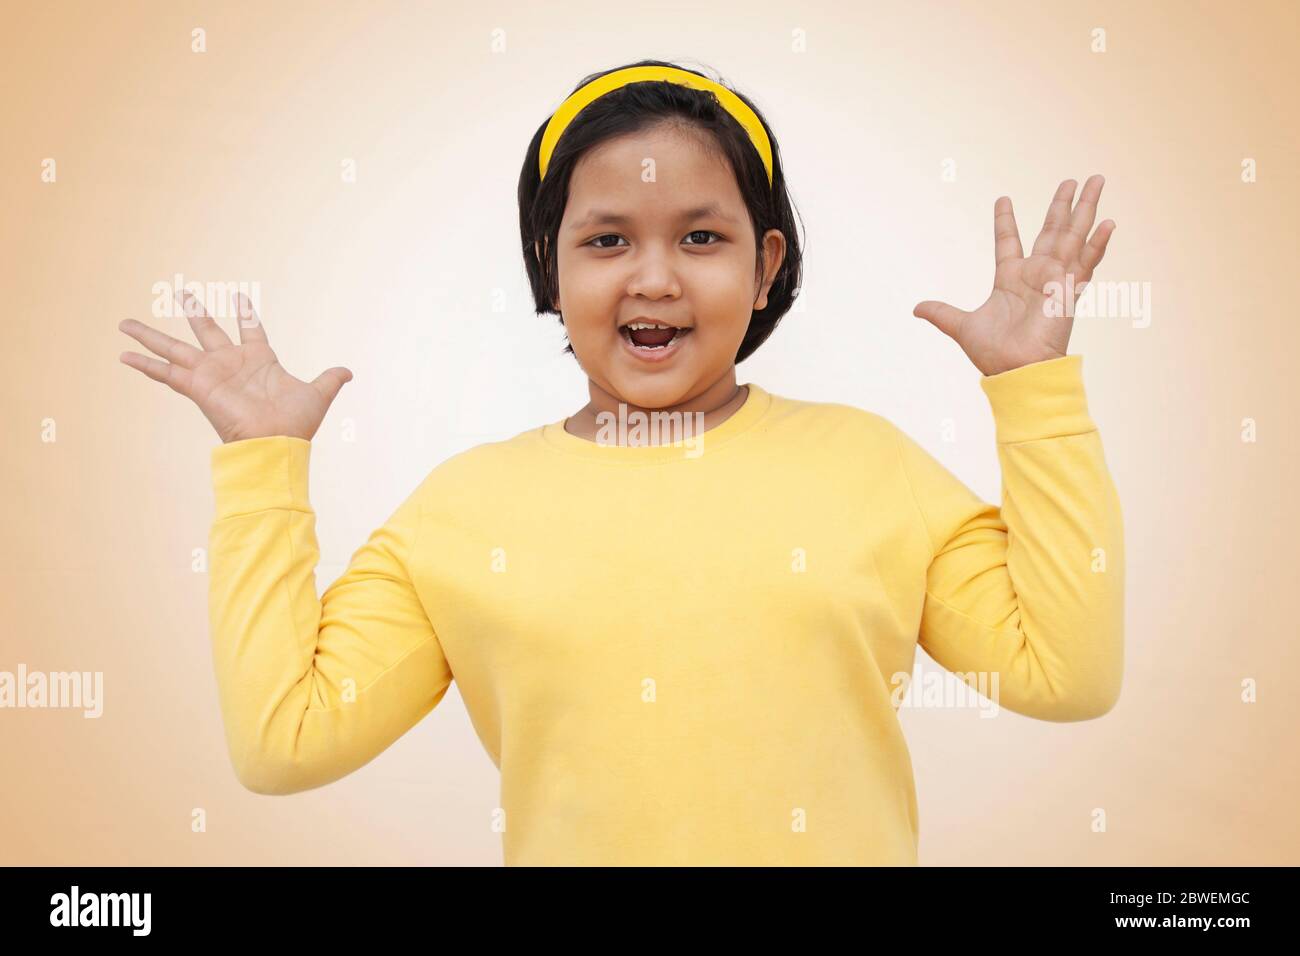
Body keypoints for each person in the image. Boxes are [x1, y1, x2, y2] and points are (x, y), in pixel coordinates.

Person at [117, 59, 1123, 866]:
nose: (653, 276)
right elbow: (284, 740)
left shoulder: (872, 466)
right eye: (606, 239)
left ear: (766, 264)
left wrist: (1034, 389)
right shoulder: (461, 511)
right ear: (548, 265)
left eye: (700, 236)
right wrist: (260, 463)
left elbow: (1065, 673)